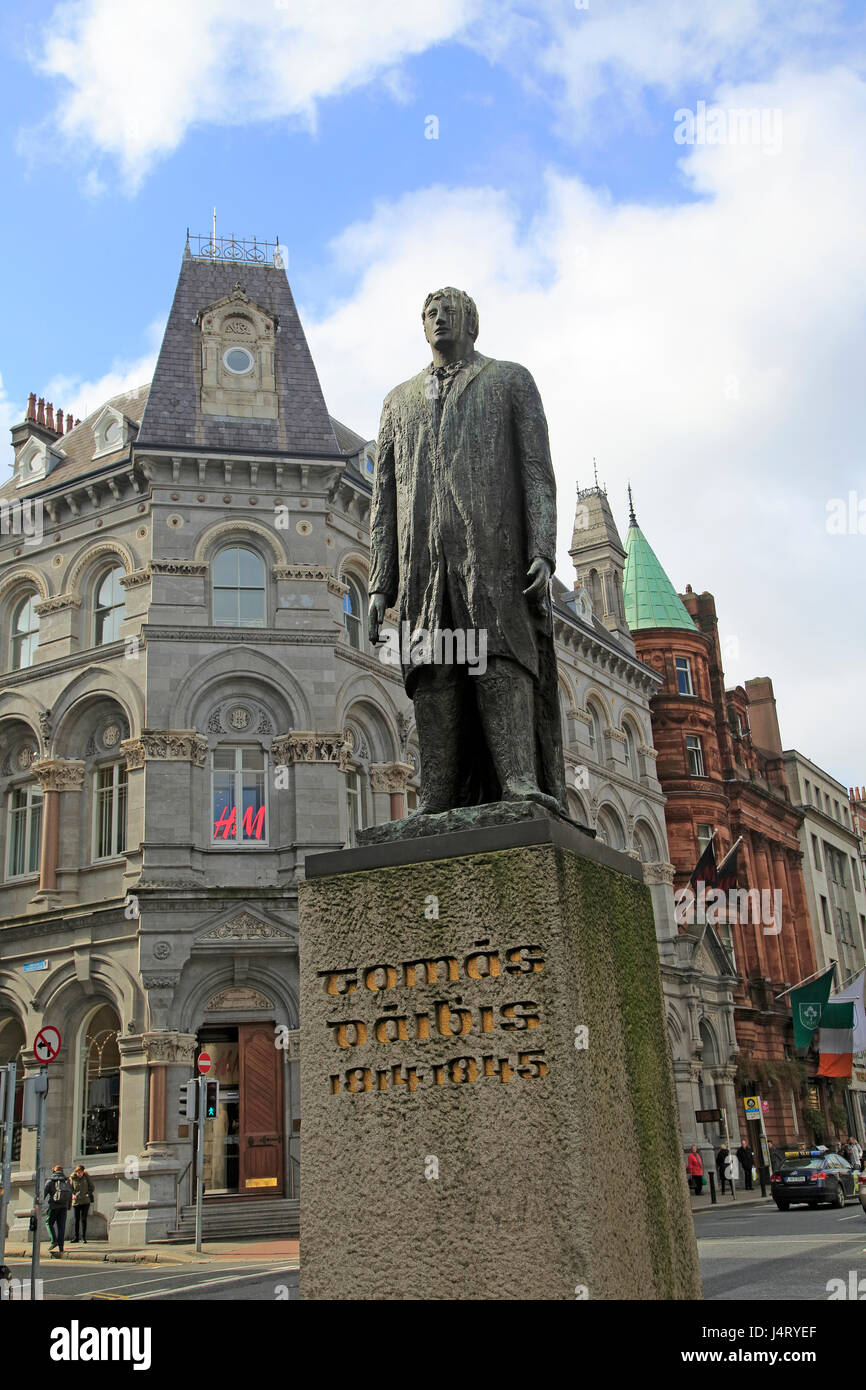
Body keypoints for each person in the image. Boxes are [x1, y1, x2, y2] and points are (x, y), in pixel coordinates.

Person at [368, 286, 568, 817]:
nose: (438, 319)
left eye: (449, 312)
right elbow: (383, 496)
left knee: (498, 657)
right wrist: (379, 581)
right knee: (434, 669)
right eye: (430, 312)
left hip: (494, 557)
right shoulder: (398, 401)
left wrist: (543, 548)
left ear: (472, 324)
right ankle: (438, 796)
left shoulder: (509, 380)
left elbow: (537, 472)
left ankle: (519, 783)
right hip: (422, 565)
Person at [44, 1165, 72, 1257]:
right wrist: (68, 1206)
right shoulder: (66, 1181)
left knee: (49, 1222)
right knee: (61, 1226)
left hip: (53, 1206)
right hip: (63, 1207)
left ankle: (53, 1240)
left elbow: (43, 1194)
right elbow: (70, 1194)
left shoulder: (50, 1181)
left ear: (53, 1171)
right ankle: (61, 1247)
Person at [68, 1164, 95, 1244]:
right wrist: (73, 1194)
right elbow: (70, 1188)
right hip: (76, 1201)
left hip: (85, 1201)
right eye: (78, 1172)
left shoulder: (86, 1177)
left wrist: (88, 1193)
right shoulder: (73, 1178)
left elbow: (92, 1187)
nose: (79, 1174)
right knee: (76, 1219)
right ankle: (76, 1237)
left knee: (84, 1219)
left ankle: (83, 1237)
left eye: (81, 1172)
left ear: (83, 1172)